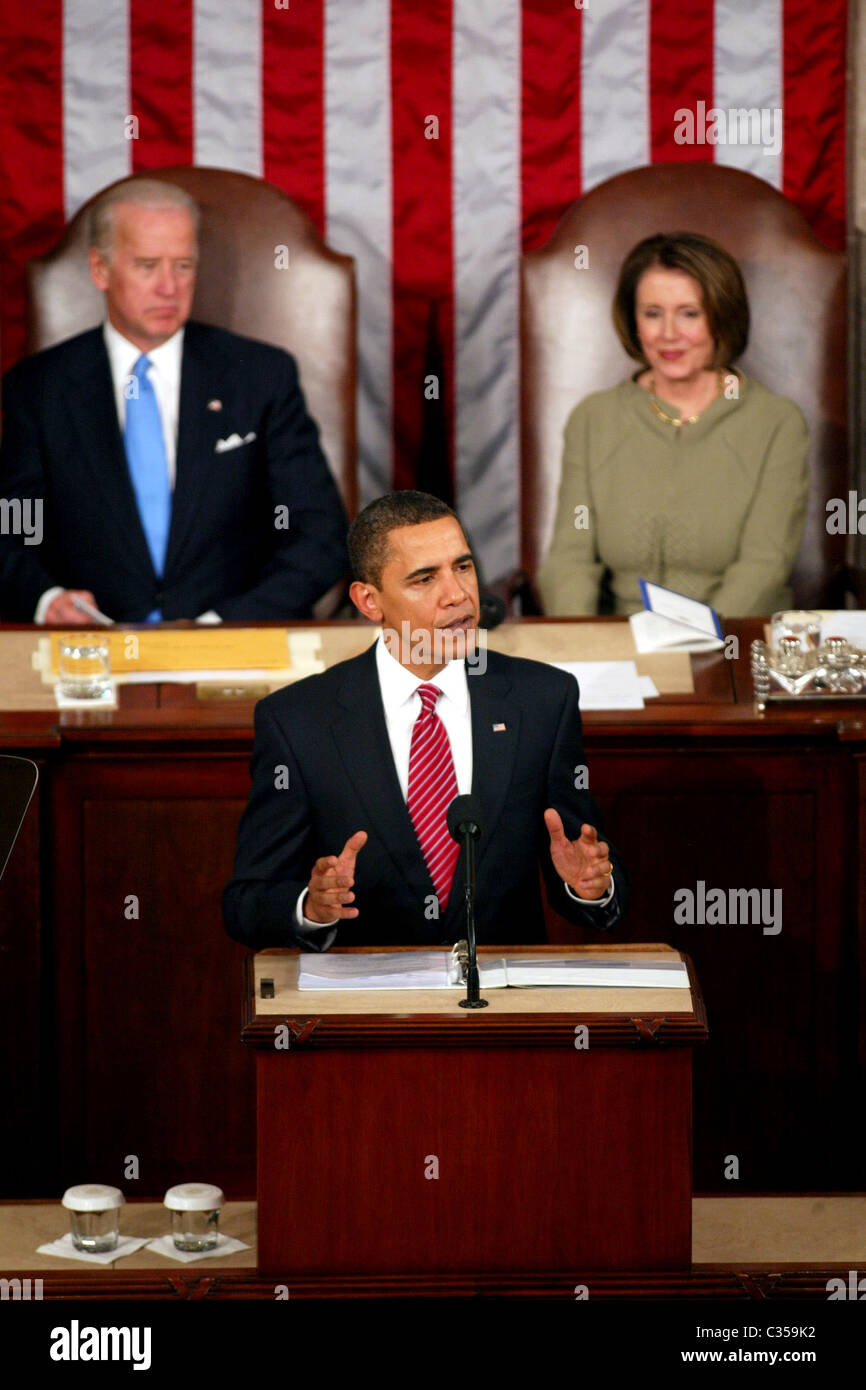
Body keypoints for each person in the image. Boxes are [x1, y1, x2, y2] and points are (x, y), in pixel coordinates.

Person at [223, 490, 628, 951]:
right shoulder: (298, 721)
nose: (457, 594)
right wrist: (311, 908)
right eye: (423, 579)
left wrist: (590, 886)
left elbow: (587, 871)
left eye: (463, 566)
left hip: (501, 1006)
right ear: (368, 601)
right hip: (368, 1009)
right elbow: (246, 902)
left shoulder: (543, 700)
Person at [0, 177, 348, 624]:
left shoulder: (260, 376)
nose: (169, 287)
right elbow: (11, 529)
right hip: (90, 654)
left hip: (232, 649)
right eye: (147, 266)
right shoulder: (38, 388)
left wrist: (225, 624)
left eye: (183, 266)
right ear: (100, 270)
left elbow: (320, 534)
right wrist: (47, 600)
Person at [537, 231, 809, 618]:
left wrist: (693, 643)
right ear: (633, 321)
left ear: (722, 316)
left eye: (689, 313)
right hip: (620, 641)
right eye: (652, 313)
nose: (668, 334)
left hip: (731, 641)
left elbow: (763, 567)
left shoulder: (777, 423)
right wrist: (580, 648)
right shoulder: (593, 418)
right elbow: (570, 559)